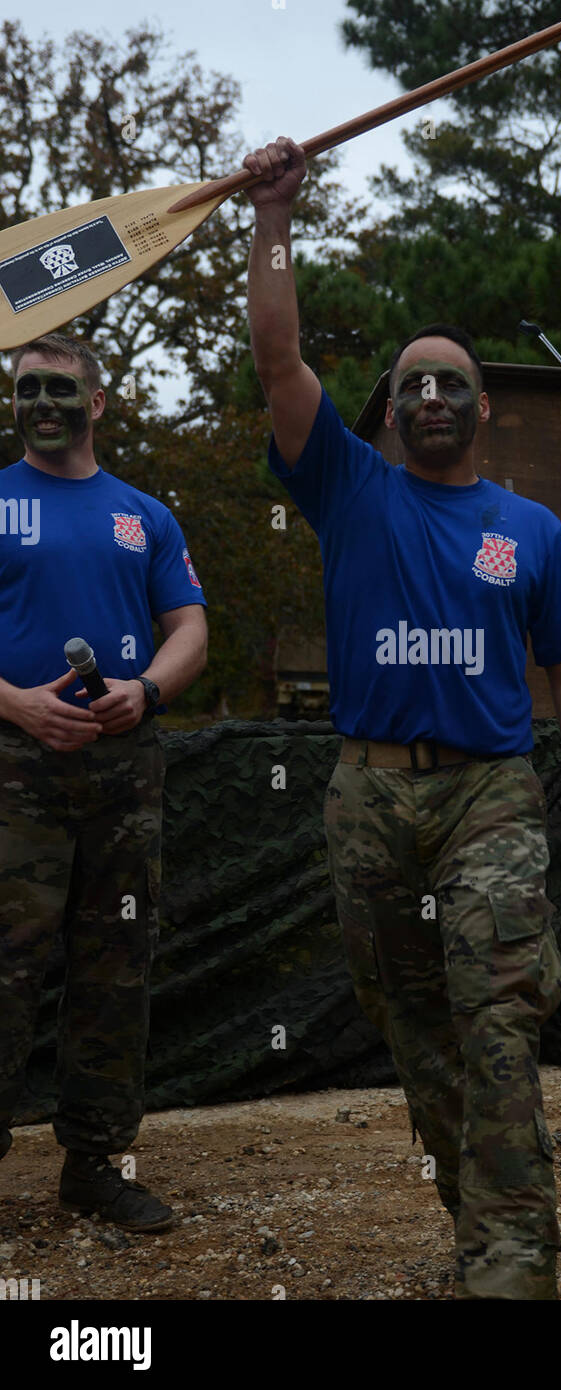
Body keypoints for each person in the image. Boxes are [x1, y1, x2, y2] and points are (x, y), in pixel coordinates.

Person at [245, 136, 561, 1300]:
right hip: (366, 794)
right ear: (392, 410)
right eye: (410, 381)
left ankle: (513, 1265)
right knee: (410, 1026)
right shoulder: (349, 488)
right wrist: (272, 215)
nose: (427, 394)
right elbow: (278, 359)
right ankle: (483, 1225)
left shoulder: (531, 530)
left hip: (489, 792)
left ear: (483, 406)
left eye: (449, 379)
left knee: (498, 1016)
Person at [0, 333, 208, 1229]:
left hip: (125, 773)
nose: (42, 402)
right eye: (26, 389)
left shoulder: (145, 514)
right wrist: (15, 705)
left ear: (99, 403)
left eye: (59, 387)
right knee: (4, 969)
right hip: (11, 766)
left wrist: (149, 688)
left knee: (114, 970)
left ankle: (93, 1166)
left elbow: (191, 625)